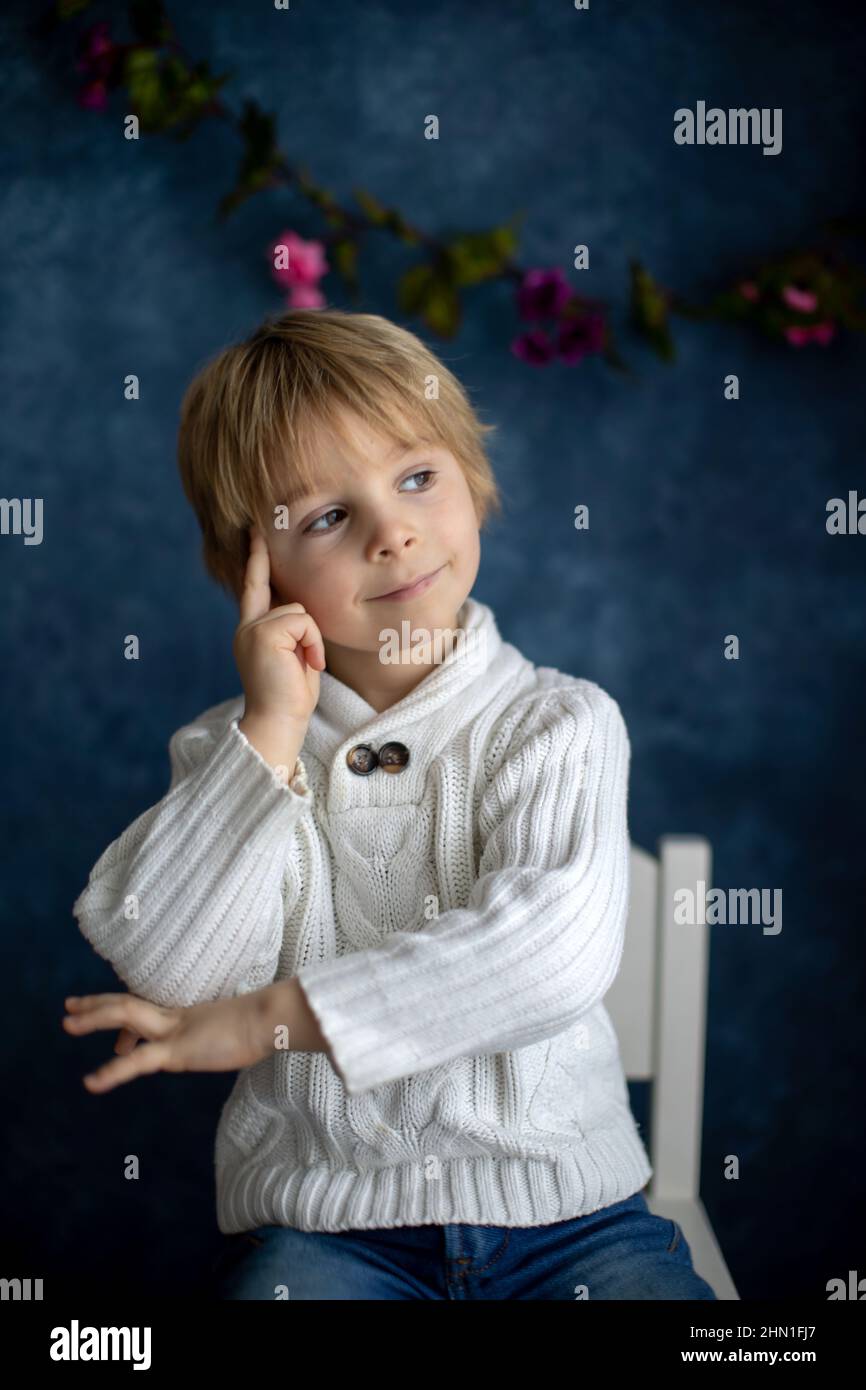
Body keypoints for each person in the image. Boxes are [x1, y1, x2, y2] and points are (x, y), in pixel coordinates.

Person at [66, 308, 716, 1301]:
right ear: (257, 570)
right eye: (325, 517)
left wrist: (266, 1023)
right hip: (332, 1235)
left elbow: (546, 952)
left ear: (473, 478)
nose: (391, 531)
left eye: (416, 476)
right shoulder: (231, 749)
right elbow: (172, 967)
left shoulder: (556, 722)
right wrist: (270, 734)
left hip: (570, 1224)